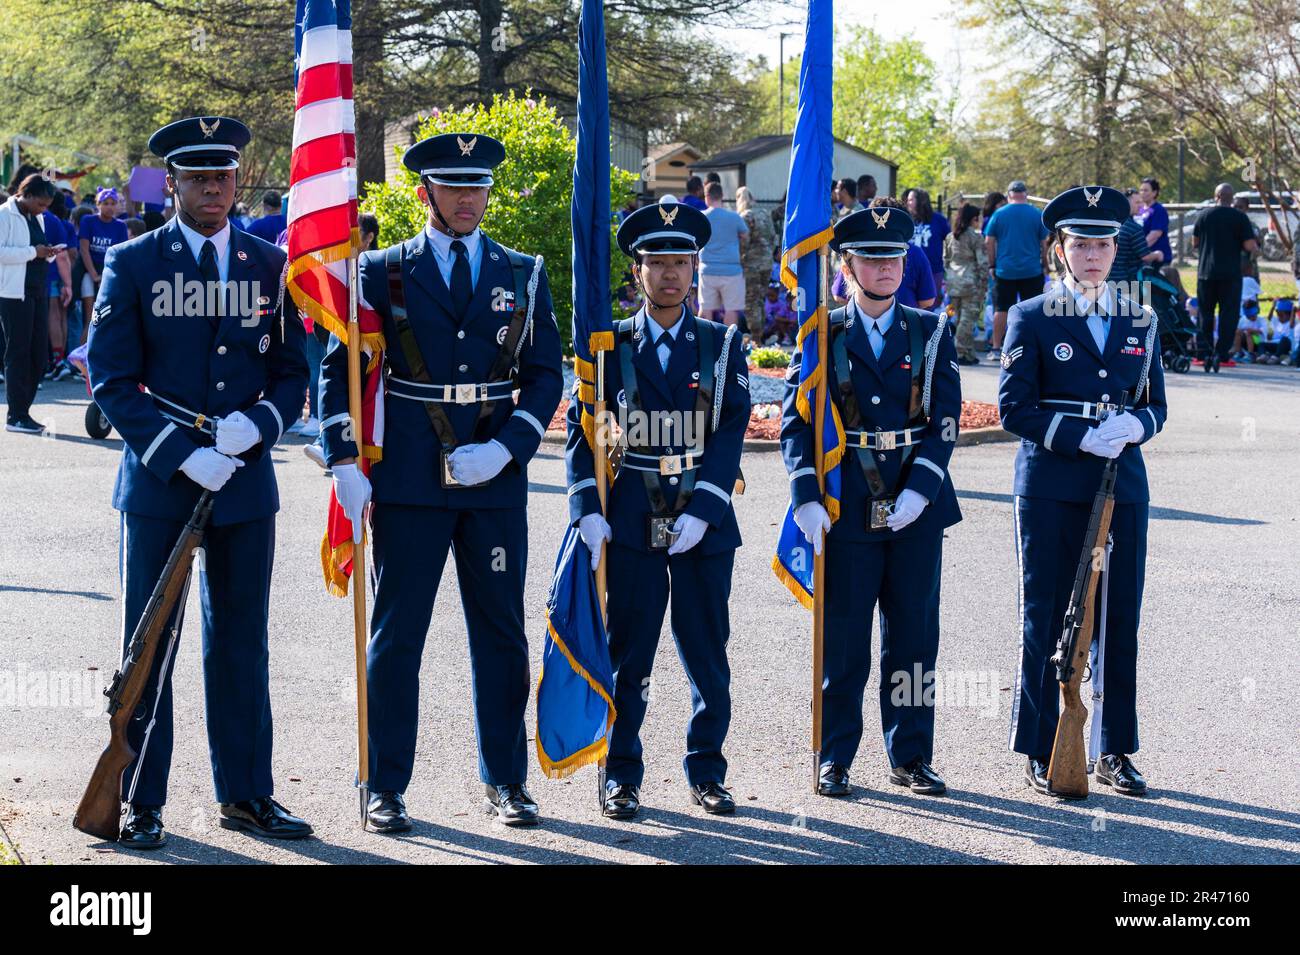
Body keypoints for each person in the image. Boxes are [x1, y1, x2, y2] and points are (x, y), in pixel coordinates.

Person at [320, 132, 563, 831]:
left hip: (491, 480)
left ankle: (507, 780)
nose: (467, 198)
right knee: (398, 635)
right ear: (424, 193)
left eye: (478, 185)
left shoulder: (522, 272)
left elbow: (545, 373)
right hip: (408, 480)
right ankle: (383, 783)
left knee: (500, 635)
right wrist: (344, 460)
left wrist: (513, 446)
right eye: (453, 187)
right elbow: (341, 370)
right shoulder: (379, 271)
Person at [86, 116, 312, 847]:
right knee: (150, 644)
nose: (211, 187)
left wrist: (265, 424)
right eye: (197, 177)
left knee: (241, 643)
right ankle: (141, 797)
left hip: (245, 480)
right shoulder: (134, 262)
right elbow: (112, 379)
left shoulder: (269, 264)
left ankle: (245, 793)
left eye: (223, 176)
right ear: (173, 184)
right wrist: (177, 452)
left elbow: (292, 372)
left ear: (237, 182)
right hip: (160, 481)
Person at [567, 197, 750, 820]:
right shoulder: (607, 346)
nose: (671, 273)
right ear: (636, 272)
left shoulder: (721, 346)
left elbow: (730, 429)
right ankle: (620, 773)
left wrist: (707, 504)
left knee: (707, 650)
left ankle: (708, 770)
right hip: (630, 516)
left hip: (704, 518)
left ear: (696, 269)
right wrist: (587, 508)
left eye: (682, 261)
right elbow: (582, 433)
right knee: (630, 652)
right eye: (657, 262)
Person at [782, 204, 963, 798]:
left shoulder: (930, 331)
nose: (886, 267)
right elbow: (795, 423)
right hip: (846, 503)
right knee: (844, 637)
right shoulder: (822, 334)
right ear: (846, 263)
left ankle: (910, 755)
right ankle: (835, 755)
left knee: (914, 637)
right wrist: (806, 495)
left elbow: (946, 421)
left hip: (915, 504)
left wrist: (922, 488)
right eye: (871, 257)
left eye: (894, 256)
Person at [999, 186, 1167, 799]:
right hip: (1051, 483)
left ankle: (1113, 749)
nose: (1093, 255)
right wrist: (1077, 437)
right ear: (1060, 249)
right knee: (1046, 616)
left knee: (1120, 617)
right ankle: (1044, 744)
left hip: (1123, 482)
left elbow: (1157, 406)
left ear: (1115, 249)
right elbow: (1013, 409)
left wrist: (1136, 426)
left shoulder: (1140, 317)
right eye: (1081, 244)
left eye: (1102, 244)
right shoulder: (1033, 315)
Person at [1, 175, 60, 433]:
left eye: (47, 206)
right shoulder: (4, 214)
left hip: (37, 290)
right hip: (13, 294)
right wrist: (32, 252)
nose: (43, 210)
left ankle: (23, 410)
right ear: (26, 194)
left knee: (38, 356)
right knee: (18, 353)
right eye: (41, 204)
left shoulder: (35, 217)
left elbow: (34, 249)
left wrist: (46, 253)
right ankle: (16, 416)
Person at [1192, 183, 1257, 372]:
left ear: (1216, 196)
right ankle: (1222, 354)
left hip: (1206, 272)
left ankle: (1203, 353)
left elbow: (1195, 242)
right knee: (1228, 314)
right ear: (1231, 198)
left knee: (1205, 313)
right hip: (1230, 274)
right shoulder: (1240, 217)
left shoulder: (1203, 215)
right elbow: (1248, 245)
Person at [984, 180, 1048, 364]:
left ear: (1009, 194)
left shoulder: (1000, 213)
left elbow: (989, 241)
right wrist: (1044, 264)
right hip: (1032, 270)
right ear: (1025, 194)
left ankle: (996, 348)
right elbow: (1044, 243)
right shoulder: (1036, 214)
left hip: (1005, 271)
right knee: (1035, 311)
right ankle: (1036, 347)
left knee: (1001, 309)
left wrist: (992, 264)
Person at [78, 188, 129, 348]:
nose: (110, 207)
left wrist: (106, 277)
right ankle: (80, 357)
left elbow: (121, 254)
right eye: (106, 203)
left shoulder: (120, 226)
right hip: (89, 272)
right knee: (90, 316)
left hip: (109, 274)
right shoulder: (88, 221)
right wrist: (94, 275)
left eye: (113, 204)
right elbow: (84, 249)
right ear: (98, 205)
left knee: (107, 317)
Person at [698, 181, 749, 327]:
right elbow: (745, 235)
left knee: (705, 308)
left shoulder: (701, 217)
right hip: (732, 270)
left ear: (706, 197)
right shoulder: (734, 217)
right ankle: (729, 343)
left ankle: (703, 343)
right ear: (722, 196)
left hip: (707, 269)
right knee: (731, 310)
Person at [943, 202, 987, 364]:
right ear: (974, 219)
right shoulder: (975, 237)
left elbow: (945, 260)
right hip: (970, 282)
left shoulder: (950, 237)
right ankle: (960, 351)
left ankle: (969, 353)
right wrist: (983, 283)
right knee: (968, 318)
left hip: (954, 282)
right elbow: (982, 263)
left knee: (960, 316)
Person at [736, 185, 775, 340]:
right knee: (760, 300)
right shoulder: (765, 214)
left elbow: (744, 242)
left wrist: (740, 258)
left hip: (751, 264)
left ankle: (756, 338)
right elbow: (773, 237)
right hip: (767, 262)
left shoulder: (746, 216)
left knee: (750, 302)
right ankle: (760, 336)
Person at [1107, 188, 1160, 287]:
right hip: (1130, 284)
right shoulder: (1134, 228)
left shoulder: (1110, 225)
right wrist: (1158, 254)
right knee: (1146, 301)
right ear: (1125, 204)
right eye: (1137, 202)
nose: (1141, 205)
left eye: (1141, 202)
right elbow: (1146, 257)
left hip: (1106, 281)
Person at [907, 188, 949, 296]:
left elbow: (951, 242)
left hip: (933, 271)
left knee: (930, 305)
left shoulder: (938, 220)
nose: (908, 203)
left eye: (911, 200)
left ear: (921, 201)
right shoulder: (906, 220)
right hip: (909, 271)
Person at [1135, 177, 1172, 266]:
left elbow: (1154, 235)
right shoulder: (1139, 210)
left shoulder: (1159, 210)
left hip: (1158, 259)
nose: (1142, 193)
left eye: (1146, 190)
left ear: (1154, 193)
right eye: (1141, 190)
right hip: (1142, 258)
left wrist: (1139, 250)